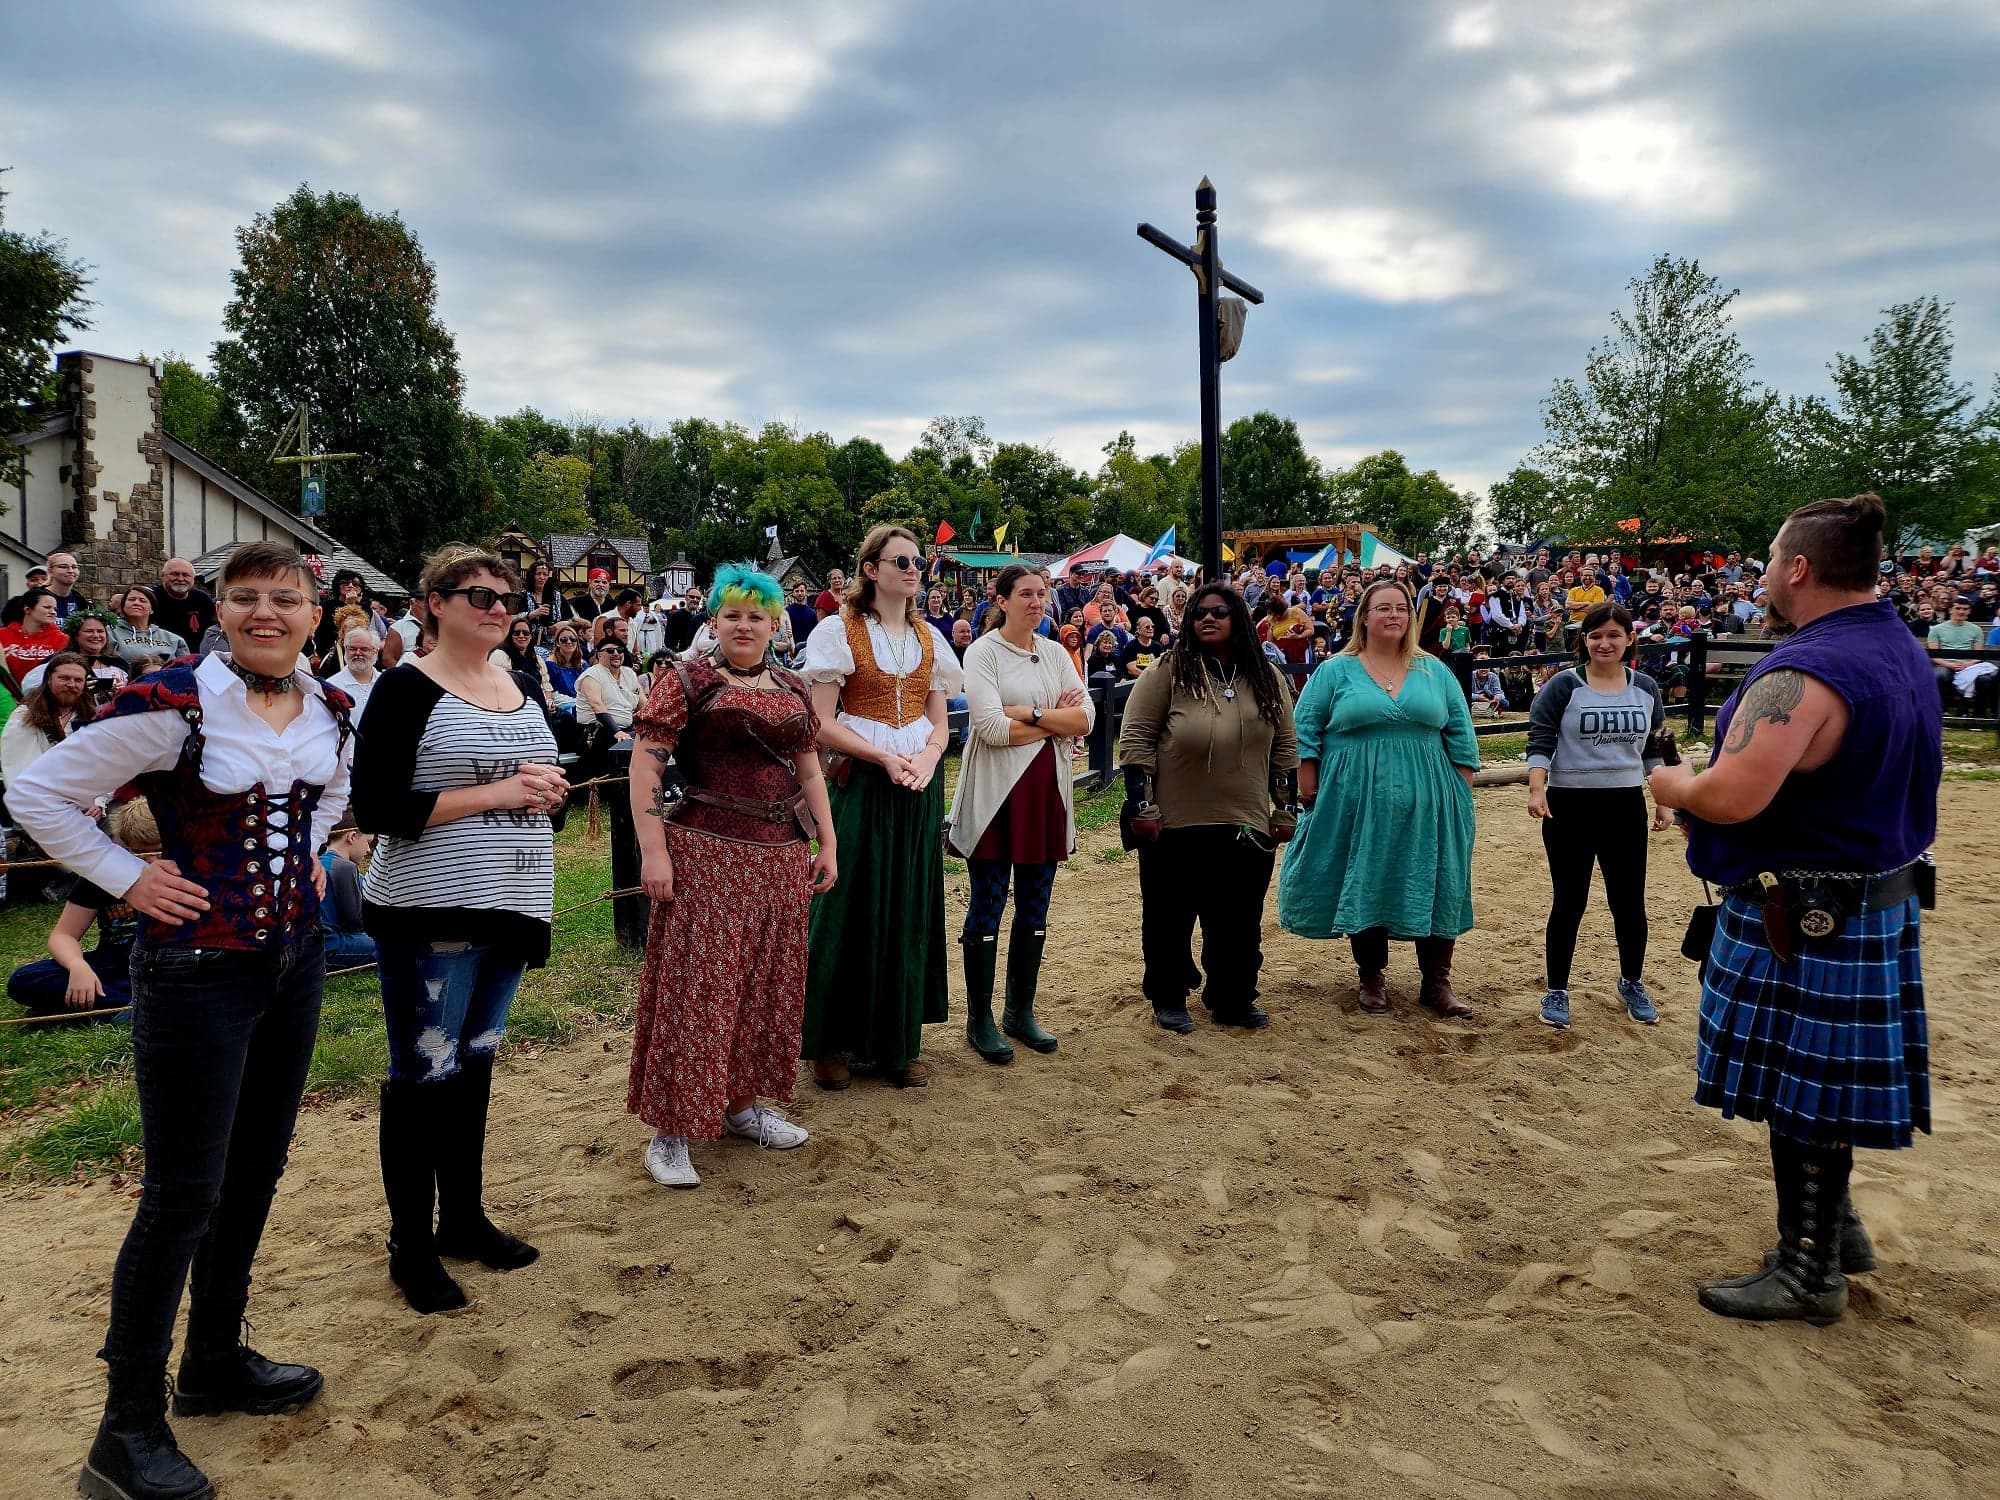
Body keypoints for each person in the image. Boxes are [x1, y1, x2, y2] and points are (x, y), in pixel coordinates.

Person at [9, 540, 355, 1500]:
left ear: (313, 610)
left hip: (292, 963)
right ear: (220, 608)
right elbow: (38, 791)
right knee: (179, 1194)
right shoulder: (175, 702)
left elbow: (328, 795)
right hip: (196, 973)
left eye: (285, 598)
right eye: (244, 598)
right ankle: (123, 1431)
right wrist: (127, 878)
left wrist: (310, 863)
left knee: (255, 1169)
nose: (265, 613)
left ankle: (211, 1361)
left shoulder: (330, 706)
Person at [1649, 493, 1941, 1325]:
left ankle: (1810, 1270)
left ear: (1800, 569)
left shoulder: (1803, 672)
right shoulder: (1897, 647)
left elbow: (1733, 797)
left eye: (1773, 560)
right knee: (1819, 1086)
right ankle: (1834, 1229)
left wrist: (1671, 785)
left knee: (1803, 1092)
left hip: (1809, 917)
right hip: (1865, 904)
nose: (1765, 574)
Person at [352, 548, 563, 1317]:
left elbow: (533, 784)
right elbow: (376, 808)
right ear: (434, 603)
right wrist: (503, 789)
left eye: (509, 597)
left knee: (473, 1066)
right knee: (422, 1075)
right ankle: (410, 1246)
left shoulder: (516, 683)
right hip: (431, 913)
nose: (499, 607)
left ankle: (463, 1219)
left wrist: (547, 793)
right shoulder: (405, 690)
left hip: (510, 903)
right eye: (480, 594)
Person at [625, 564, 838, 1188]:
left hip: (778, 858)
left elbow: (809, 770)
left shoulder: (794, 688)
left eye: (757, 616)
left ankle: (742, 1106)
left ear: (775, 623)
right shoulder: (684, 681)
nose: (744, 625)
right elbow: (645, 769)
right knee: (699, 990)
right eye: (732, 614)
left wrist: (827, 840)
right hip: (705, 852)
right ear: (713, 619)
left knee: (765, 984)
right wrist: (653, 851)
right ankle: (671, 1130)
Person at [799, 527, 959, 1089]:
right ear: (871, 568)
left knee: (908, 903)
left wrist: (930, 756)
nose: (913, 568)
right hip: (859, 783)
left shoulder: (931, 638)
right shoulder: (836, 631)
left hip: (916, 783)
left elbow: (939, 717)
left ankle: (897, 1039)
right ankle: (828, 1040)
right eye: (901, 560)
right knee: (847, 903)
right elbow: (819, 721)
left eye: (918, 561)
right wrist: (883, 758)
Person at [1277, 581, 1480, 1016]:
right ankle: (1371, 977)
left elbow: (1461, 734)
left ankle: (1436, 983)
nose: (1393, 615)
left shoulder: (1434, 671)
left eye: (1402, 608)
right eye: (1382, 607)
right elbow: (1305, 730)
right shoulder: (1335, 670)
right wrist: (1308, 785)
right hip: (1354, 797)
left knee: (1436, 877)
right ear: (1364, 617)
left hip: (1431, 799)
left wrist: (1455, 790)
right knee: (1365, 876)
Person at [1118, 584, 1297, 1033]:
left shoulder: (1266, 676)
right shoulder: (1166, 671)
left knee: (1239, 918)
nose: (1208, 618)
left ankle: (1232, 995)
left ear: (1237, 618)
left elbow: (1286, 747)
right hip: (1174, 821)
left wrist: (1285, 807)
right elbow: (1136, 740)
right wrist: (1142, 805)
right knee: (1168, 916)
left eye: (1219, 611)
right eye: (1199, 612)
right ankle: (1169, 995)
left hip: (1247, 820)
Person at [947, 564, 1092, 1061]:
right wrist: (1055, 721)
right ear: (1001, 599)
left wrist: (1026, 714)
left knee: (1035, 904)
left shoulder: (1054, 652)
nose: (1036, 602)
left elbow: (1087, 718)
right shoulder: (984, 650)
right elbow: (988, 728)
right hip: (995, 797)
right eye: (1025, 594)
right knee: (988, 902)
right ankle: (980, 1018)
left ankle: (1020, 1011)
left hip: (1046, 794)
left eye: (1042, 593)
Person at [1525, 603, 1673, 1031]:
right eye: (1595, 636)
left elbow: (1655, 748)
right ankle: (1556, 989)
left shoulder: (1645, 687)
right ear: (1584, 641)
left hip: (1625, 804)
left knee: (1629, 902)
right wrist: (1537, 789)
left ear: (1629, 639)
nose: (1604, 643)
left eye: (1613, 635)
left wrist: (1663, 798)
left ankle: (1631, 981)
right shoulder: (1564, 686)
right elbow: (1541, 740)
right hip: (1569, 805)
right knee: (1569, 901)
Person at [5, 797, 153, 1023]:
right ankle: (126, 1008)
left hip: (164, 968)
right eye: (136, 851)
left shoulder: (191, 875)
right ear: (121, 844)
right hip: (113, 967)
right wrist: (78, 966)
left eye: (159, 851)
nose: (149, 860)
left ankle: (98, 1010)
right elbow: (62, 935)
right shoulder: (105, 874)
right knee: (25, 979)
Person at [2, 650, 94, 785]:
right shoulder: (25, 715)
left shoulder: (92, 716)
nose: (71, 684)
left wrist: (96, 800)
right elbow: (19, 770)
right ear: (49, 679)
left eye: (78, 680)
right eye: (64, 678)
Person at [319, 818, 377, 968]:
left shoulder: (321, 862)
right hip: (331, 947)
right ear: (351, 837)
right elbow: (356, 921)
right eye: (368, 843)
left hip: (311, 945)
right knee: (389, 945)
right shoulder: (344, 867)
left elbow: (366, 886)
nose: (369, 850)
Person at [1927, 595, 1996, 713]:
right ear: (1950, 610)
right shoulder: (1936, 629)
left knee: (1985, 680)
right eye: (1958, 608)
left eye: (1965, 609)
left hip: (1969, 665)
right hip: (1944, 664)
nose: (1961, 611)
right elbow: (1934, 655)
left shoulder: (1976, 629)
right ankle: (1941, 710)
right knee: (1939, 675)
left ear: (1969, 611)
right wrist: (1949, 665)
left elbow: (1978, 655)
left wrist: (1967, 664)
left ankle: (1978, 715)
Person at [110, 586, 189, 673]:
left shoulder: (174, 639)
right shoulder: (109, 632)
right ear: (123, 607)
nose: (136, 603)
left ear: (152, 609)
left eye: (142, 600)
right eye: (131, 599)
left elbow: (185, 669)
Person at [1, 587, 71, 683]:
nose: (53, 612)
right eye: (47, 607)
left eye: (55, 609)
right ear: (28, 609)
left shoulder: (63, 639)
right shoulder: (2, 635)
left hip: (44, 696)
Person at [154, 558, 218, 653]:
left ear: (193, 578)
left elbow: (214, 631)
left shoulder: (202, 599)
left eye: (186, 575)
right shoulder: (150, 598)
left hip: (198, 658)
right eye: (175, 574)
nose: (180, 579)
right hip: (161, 657)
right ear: (163, 576)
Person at [492, 615, 556, 705]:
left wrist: (548, 703)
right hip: (514, 705)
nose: (521, 636)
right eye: (517, 633)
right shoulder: (500, 656)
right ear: (510, 636)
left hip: (541, 704)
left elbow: (547, 687)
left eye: (526, 633)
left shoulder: (538, 659)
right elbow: (500, 688)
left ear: (531, 636)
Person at [326, 625, 382, 716]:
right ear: (345, 650)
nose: (358, 653)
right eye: (352, 649)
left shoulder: (387, 684)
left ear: (375, 652)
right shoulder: (332, 687)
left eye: (364, 649)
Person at [45, 551, 88, 621]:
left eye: (74, 567)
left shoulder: (81, 601)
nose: (71, 571)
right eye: (63, 567)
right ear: (50, 571)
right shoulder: (36, 597)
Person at [1119, 614, 1165, 678]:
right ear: (1138, 629)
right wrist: (1149, 678)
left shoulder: (1158, 647)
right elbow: (1132, 670)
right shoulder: (1131, 646)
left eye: (1153, 626)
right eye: (1147, 627)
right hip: (1136, 681)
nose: (1151, 628)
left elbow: (1162, 667)